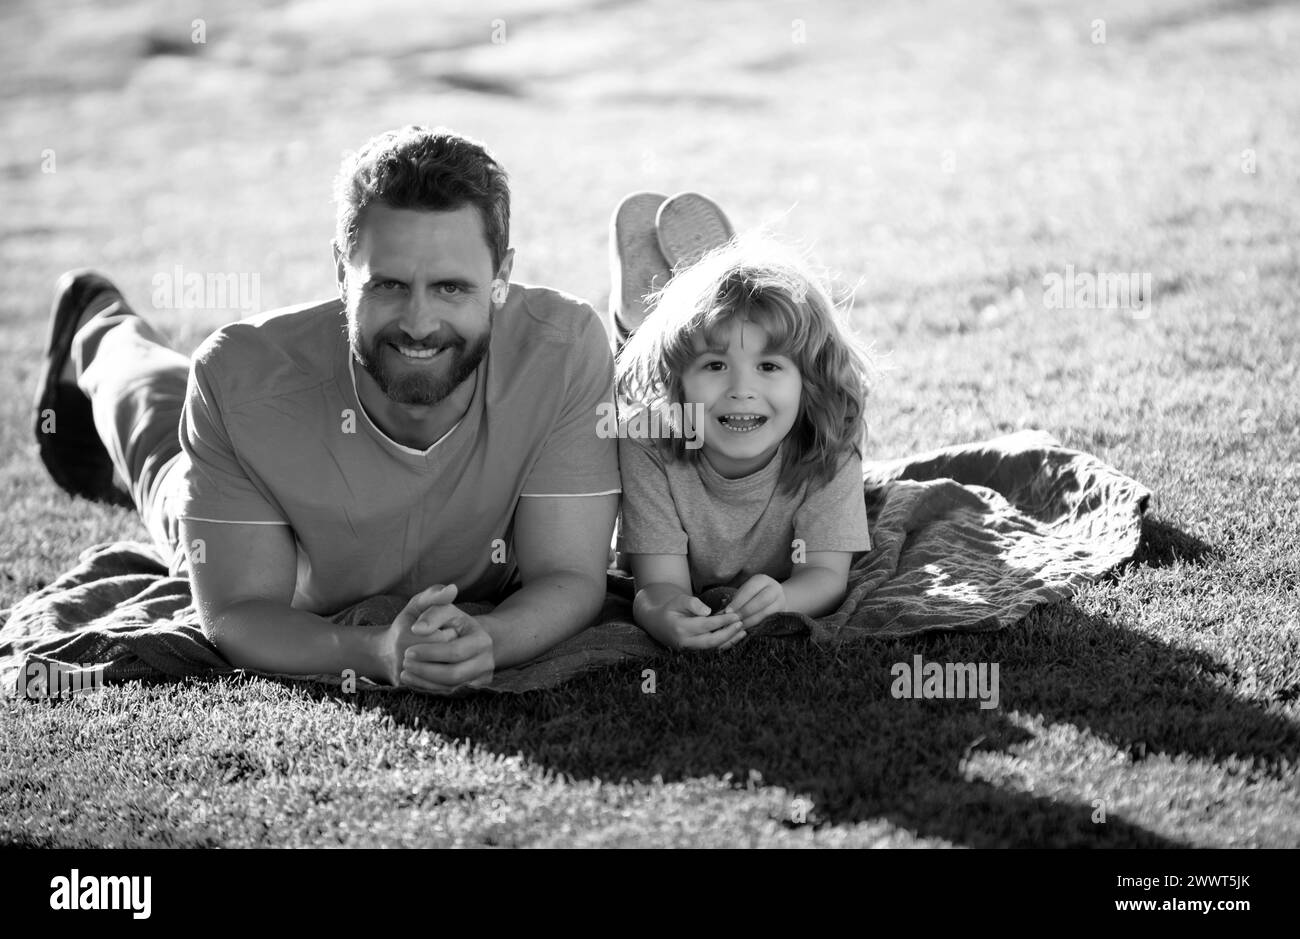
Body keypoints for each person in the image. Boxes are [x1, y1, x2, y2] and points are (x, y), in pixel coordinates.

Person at [31, 125, 623, 693]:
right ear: (342, 272)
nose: (419, 323)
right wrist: (373, 652)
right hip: (262, 477)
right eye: (388, 285)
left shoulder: (562, 350)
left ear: (501, 277)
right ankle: (102, 330)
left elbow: (568, 575)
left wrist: (492, 639)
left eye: (451, 287)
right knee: (161, 455)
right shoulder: (241, 382)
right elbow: (238, 611)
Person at [613, 236, 875, 651]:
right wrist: (665, 614)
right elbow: (658, 584)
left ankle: (674, 288)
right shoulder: (648, 442)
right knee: (645, 358)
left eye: (768, 365)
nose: (741, 389)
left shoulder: (827, 444)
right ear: (677, 384)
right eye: (715, 365)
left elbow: (824, 574)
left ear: (808, 383)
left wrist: (785, 599)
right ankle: (635, 315)